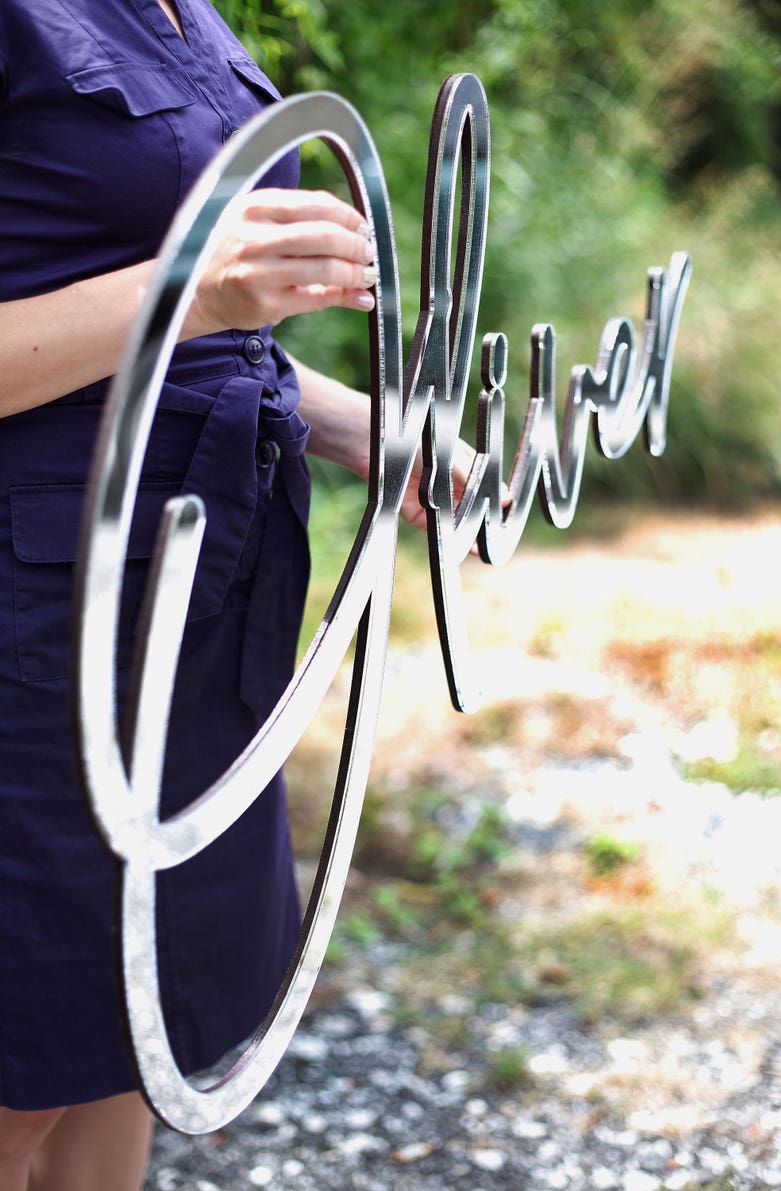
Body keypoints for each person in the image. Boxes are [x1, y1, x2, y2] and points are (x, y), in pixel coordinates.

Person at [0, 1, 470, 1187]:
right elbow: (183, 297)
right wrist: (195, 287)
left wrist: (351, 422)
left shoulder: (187, 14)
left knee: (126, 1046)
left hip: (196, 624)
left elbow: (202, 335)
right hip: (31, 648)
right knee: (18, 1077)